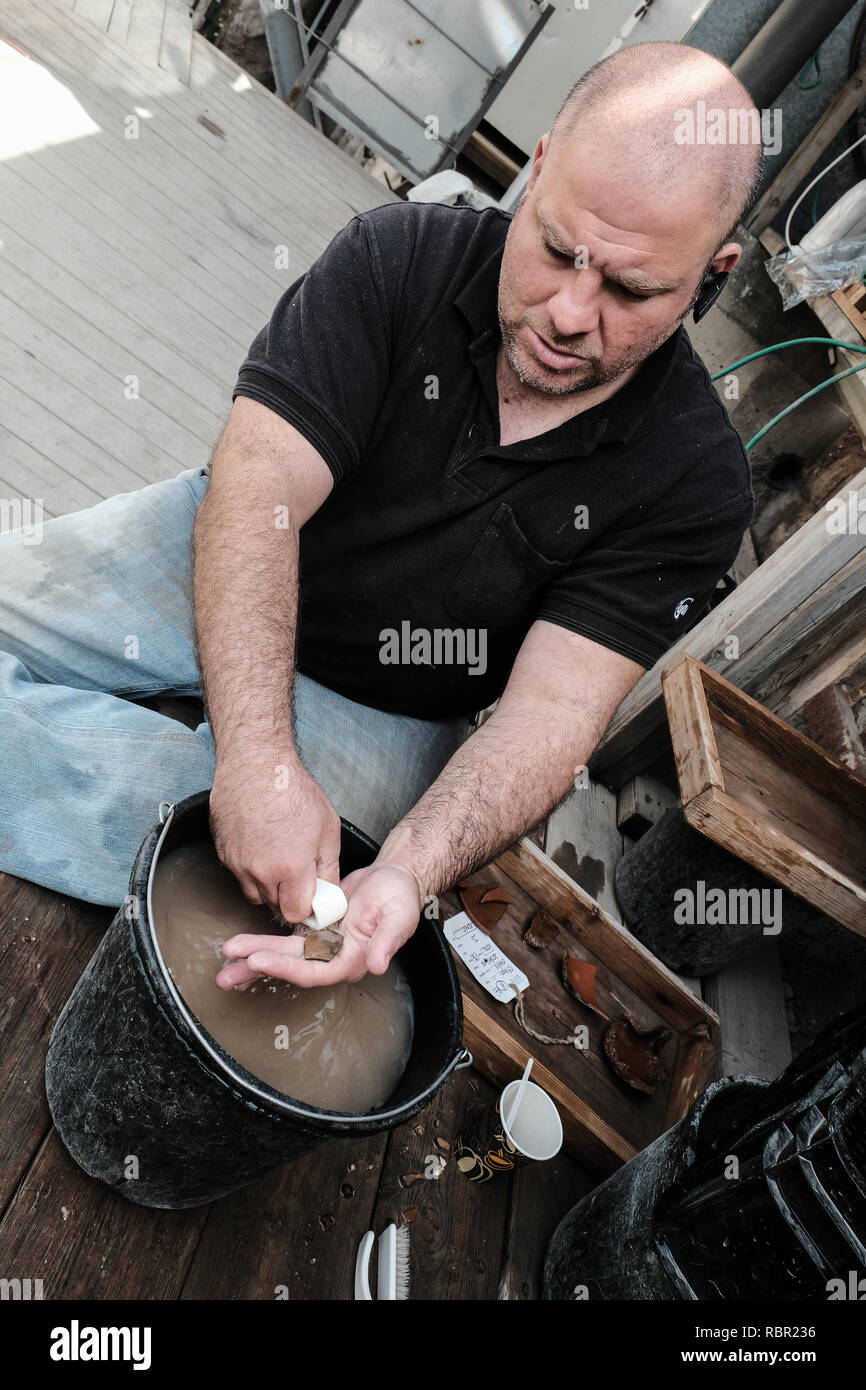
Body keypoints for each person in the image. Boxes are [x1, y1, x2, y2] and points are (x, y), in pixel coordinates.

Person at [0, 42, 759, 990]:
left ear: (712, 271)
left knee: (278, 903)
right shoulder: (396, 256)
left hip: (393, 703)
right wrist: (261, 763)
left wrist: (406, 871)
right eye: (557, 247)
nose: (569, 312)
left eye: (630, 290)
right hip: (233, 549)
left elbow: (551, 715)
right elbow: (258, 486)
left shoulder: (696, 484)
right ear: (538, 161)